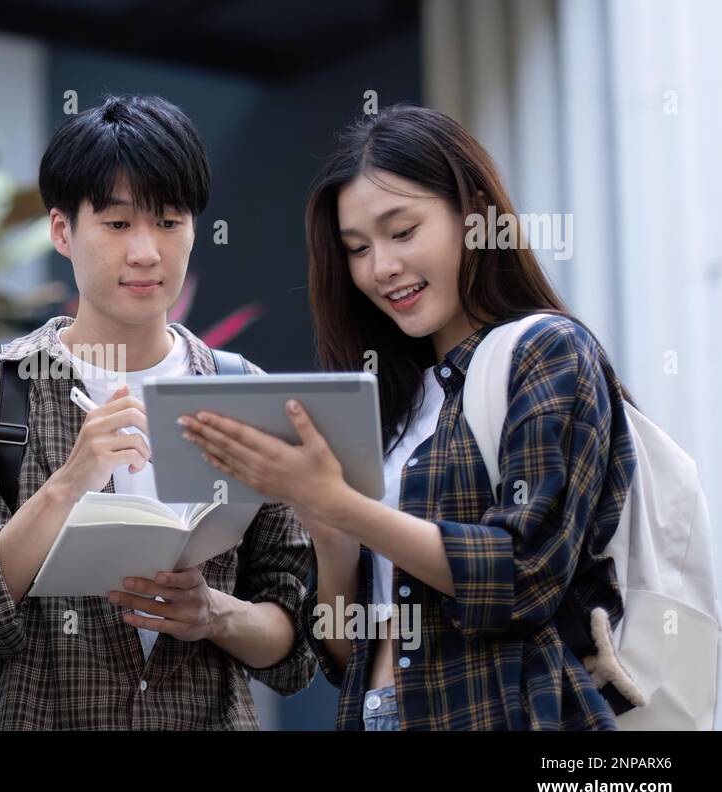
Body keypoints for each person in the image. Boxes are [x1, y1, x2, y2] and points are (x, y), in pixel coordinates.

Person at [182, 104, 635, 730]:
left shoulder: (547, 351)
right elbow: (343, 654)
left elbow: (524, 575)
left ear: (473, 217)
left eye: (402, 232)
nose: (380, 268)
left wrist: (338, 502)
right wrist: (329, 531)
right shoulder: (389, 403)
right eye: (357, 248)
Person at [0, 95, 316, 730]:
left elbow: (294, 641)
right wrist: (68, 485)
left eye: (168, 222)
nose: (145, 252)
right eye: (116, 224)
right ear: (61, 230)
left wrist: (214, 614)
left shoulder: (240, 390)